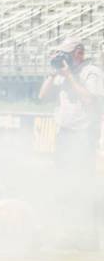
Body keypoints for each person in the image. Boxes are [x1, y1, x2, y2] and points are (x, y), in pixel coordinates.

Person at [38, 38, 104, 246]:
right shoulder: (63, 74)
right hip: (65, 133)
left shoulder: (90, 72)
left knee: (82, 180)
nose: (62, 58)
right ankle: (68, 228)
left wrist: (70, 77)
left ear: (78, 53)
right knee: (63, 180)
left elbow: (91, 100)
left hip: (84, 133)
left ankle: (87, 231)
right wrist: (53, 74)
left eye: (65, 54)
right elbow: (42, 97)